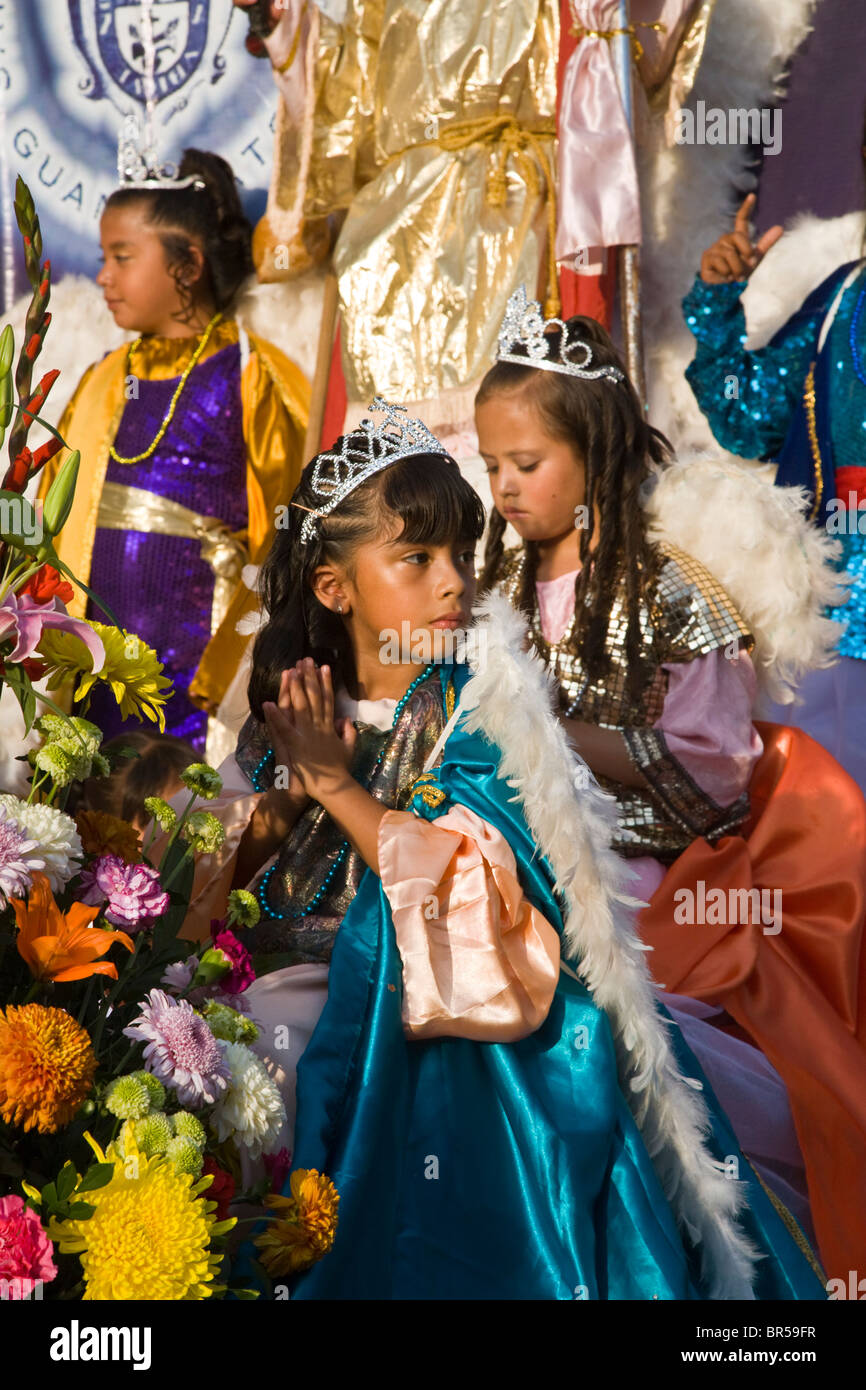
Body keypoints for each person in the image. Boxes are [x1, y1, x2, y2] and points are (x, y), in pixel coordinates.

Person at [156, 400, 822, 1300]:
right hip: (272, 984)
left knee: (283, 1077)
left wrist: (342, 791)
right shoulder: (292, 707)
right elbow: (200, 878)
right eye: (416, 558)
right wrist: (281, 802)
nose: (452, 585)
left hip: (432, 1018)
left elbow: (475, 909)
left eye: (460, 558)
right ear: (332, 588)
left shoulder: (483, 710)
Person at [474, 290, 866, 1282]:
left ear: (595, 453)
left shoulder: (672, 595)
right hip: (507, 883)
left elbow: (710, 778)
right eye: (490, 468)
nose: (505, 489)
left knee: (632, 1069)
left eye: (526, 465)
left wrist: (549, 732)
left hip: (656, 893)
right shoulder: (492, 587)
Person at [39, 148, 310, 762]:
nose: (103, 276)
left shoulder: (247, 375)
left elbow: (287, 531)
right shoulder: (104, 378)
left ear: (187, 265)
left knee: (171, 807)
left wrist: (231, 662)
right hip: (98, 641)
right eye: (104, 257)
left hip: (193, 647)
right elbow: (56, 513)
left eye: (122, 258)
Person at [682, 177, 866, 795]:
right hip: (833, 633)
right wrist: (717, 303)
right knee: (828, 840)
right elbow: (749, 418)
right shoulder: (842, 298)